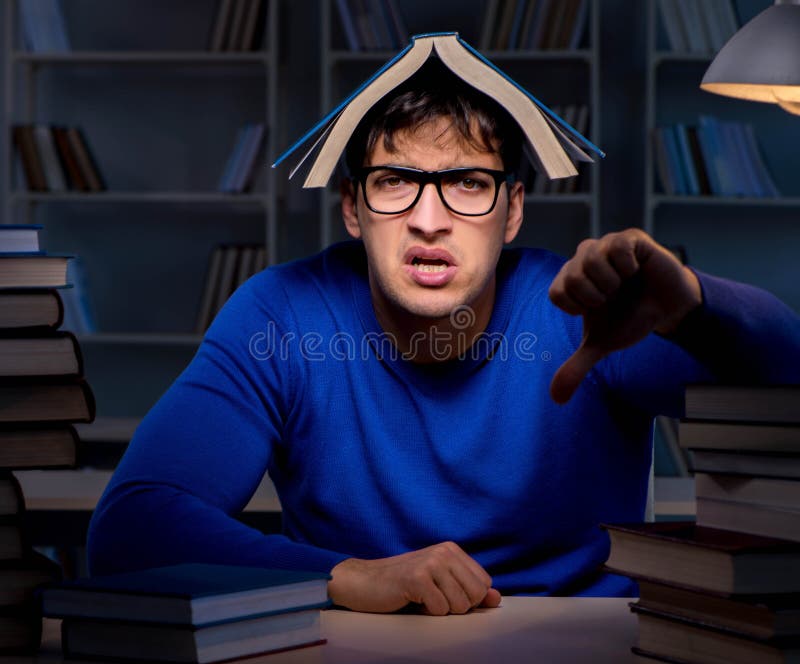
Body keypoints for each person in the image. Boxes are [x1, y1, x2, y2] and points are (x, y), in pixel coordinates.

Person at [87, 63, 800, 616]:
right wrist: (344, 575)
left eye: (467, 183)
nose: (429, 220)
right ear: (353, 208)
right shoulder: (282, 315)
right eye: (394, 181)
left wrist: (697, 306)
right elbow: (130, 530)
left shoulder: (589, 312)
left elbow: (790, 383)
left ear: (512, 210)